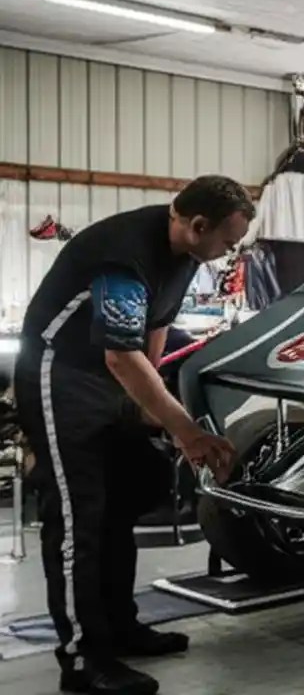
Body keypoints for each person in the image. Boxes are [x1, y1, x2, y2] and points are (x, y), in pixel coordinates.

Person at [13, 175, 253, 695]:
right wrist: (183, 429)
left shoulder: (186, 255)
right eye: (228, 243)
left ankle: (119, 627)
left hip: (108, 376)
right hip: (61, 375)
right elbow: (121, 355)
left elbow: (154, 334)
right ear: (198, 225)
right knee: (80, 517)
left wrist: (151, 410)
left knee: (122, 503)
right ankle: (83, 660)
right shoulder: (125, 253)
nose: (227, 253)